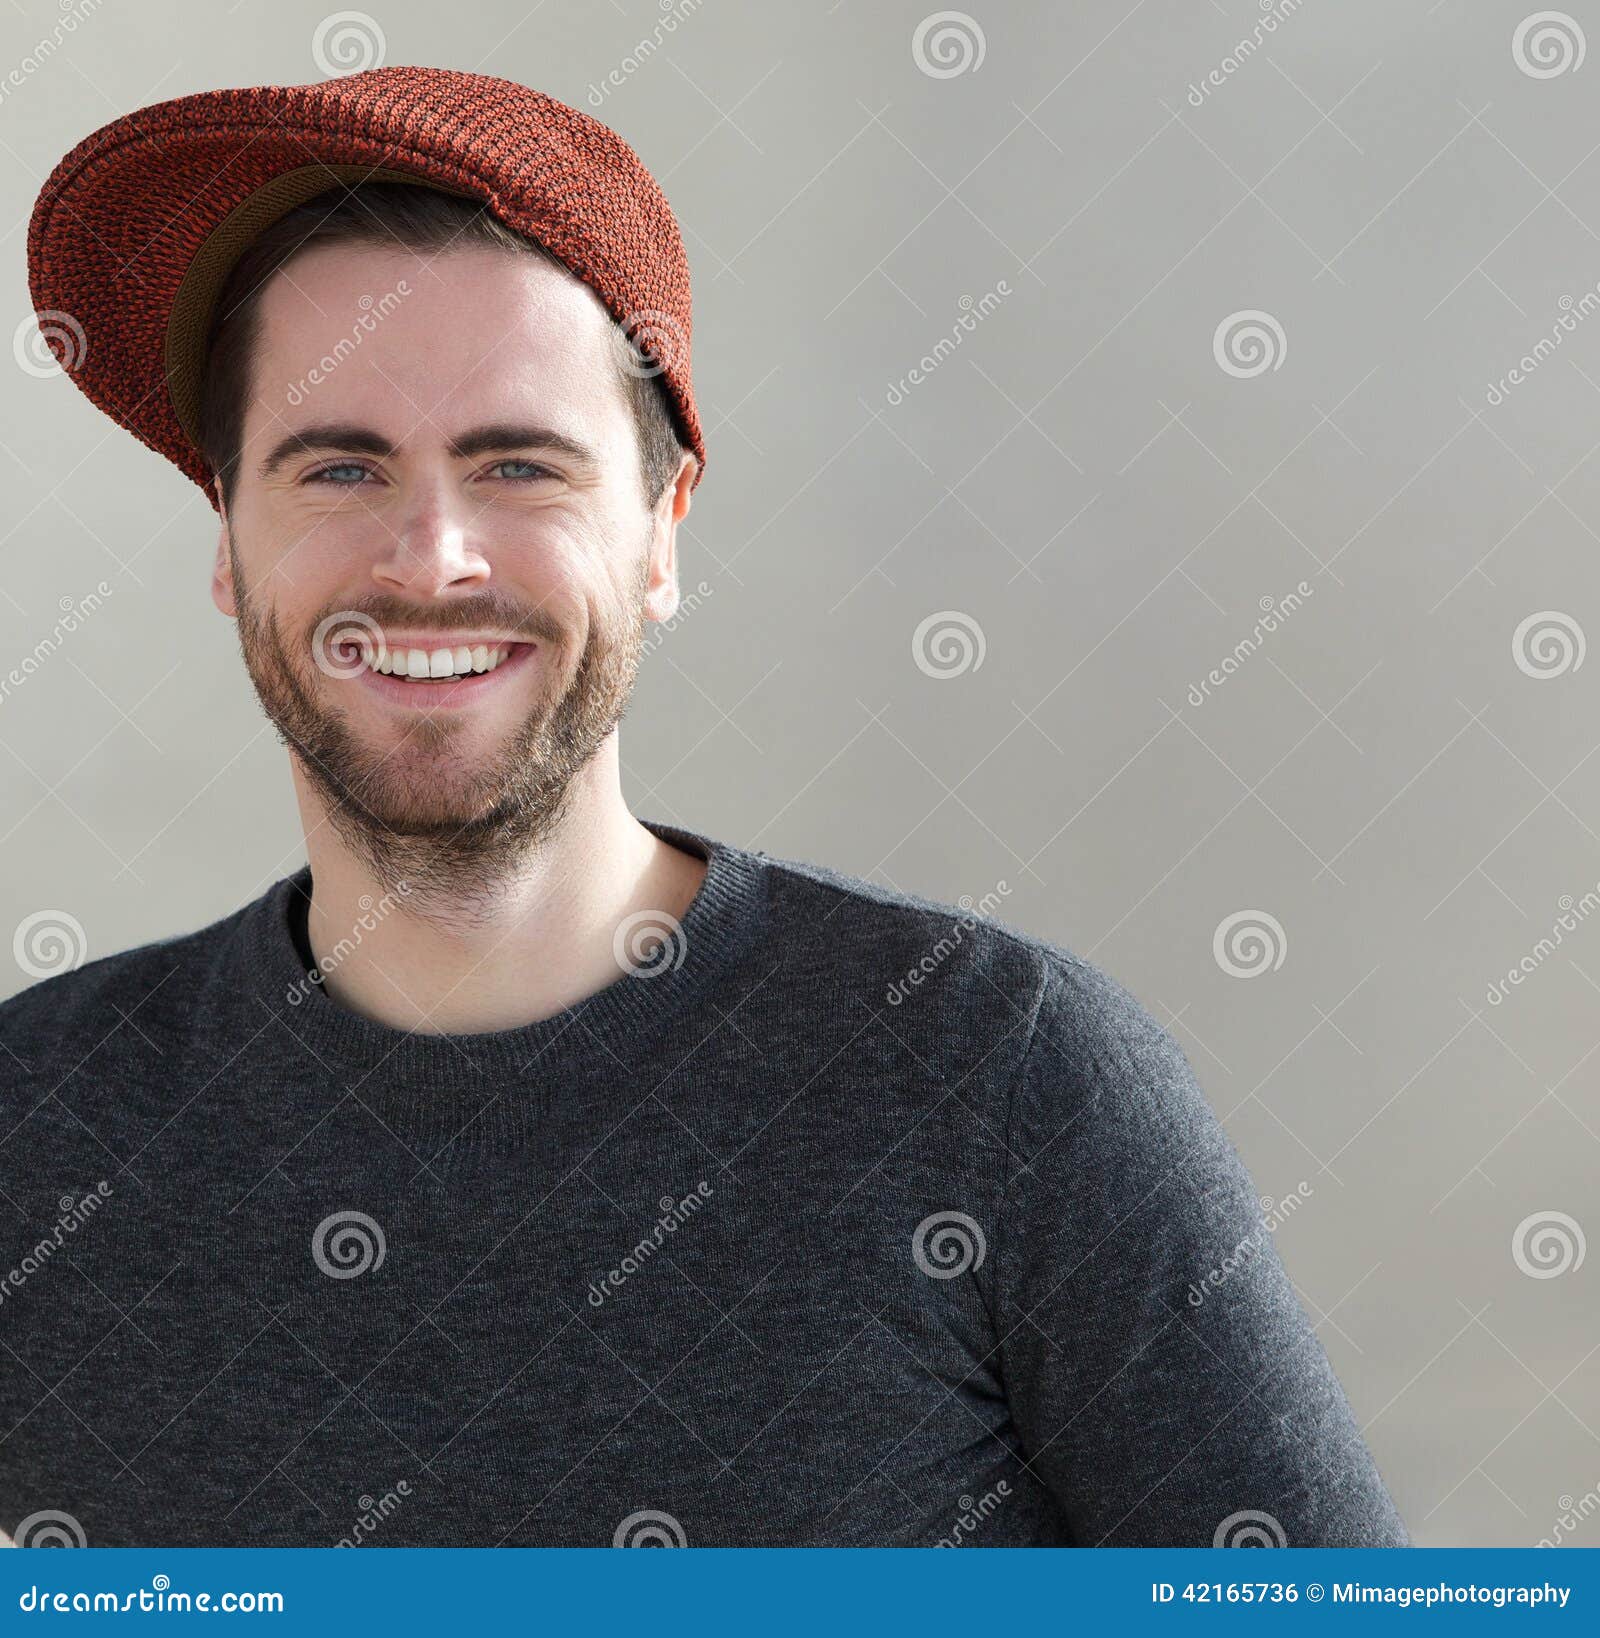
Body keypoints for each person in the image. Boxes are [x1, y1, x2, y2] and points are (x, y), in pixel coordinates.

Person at [1, 66, 1409, 1549]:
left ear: (662, 538)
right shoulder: (35, 1130)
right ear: (229, 542)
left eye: (519, 465)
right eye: (338, 465)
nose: (431, 557)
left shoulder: (1002, 1077)